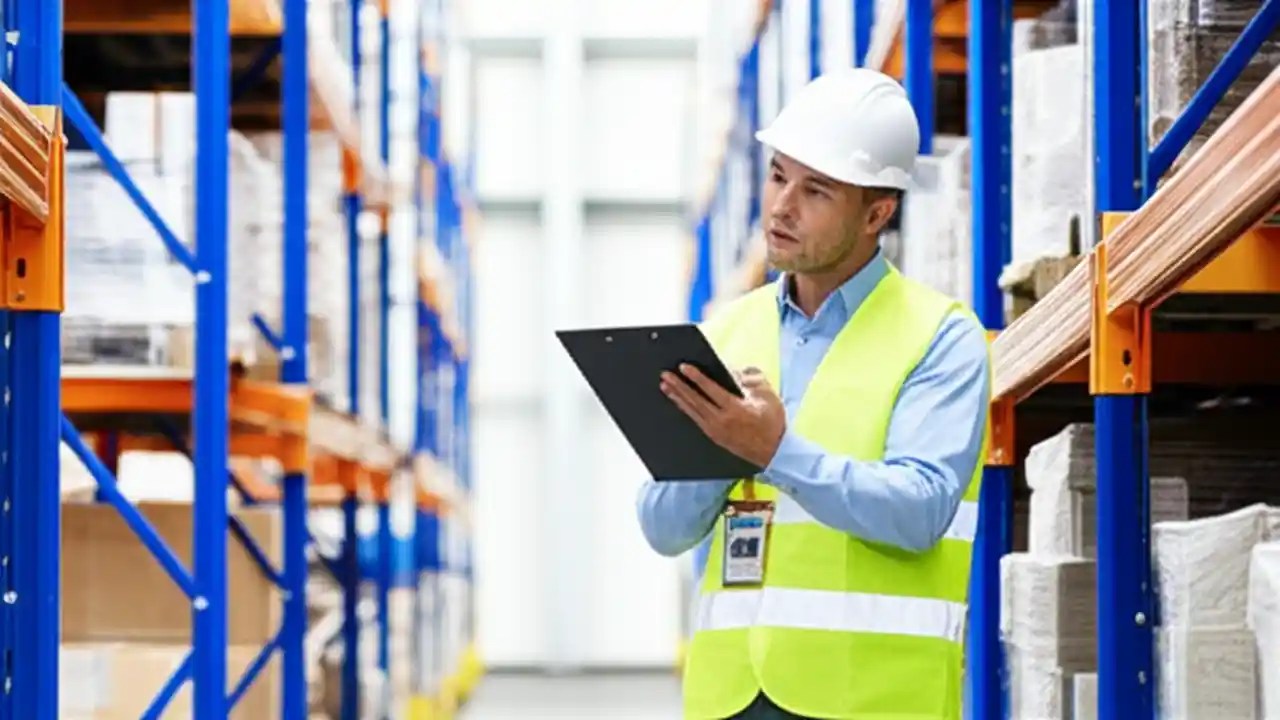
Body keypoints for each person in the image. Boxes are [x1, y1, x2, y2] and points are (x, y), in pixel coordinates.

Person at [635, 67, 991, 720]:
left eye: (816, 191)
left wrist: (773, 450)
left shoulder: (942, 337)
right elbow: (663, 526)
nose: (780, 207)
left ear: (876, 214)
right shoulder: (725, 331)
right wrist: (720, 451)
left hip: (873, 699)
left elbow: (919, 512)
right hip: (732, 696)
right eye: (777, 177)